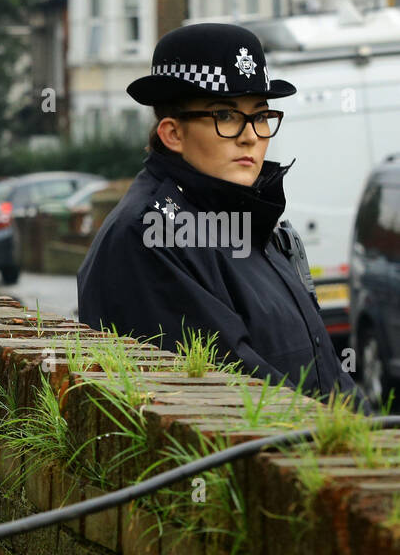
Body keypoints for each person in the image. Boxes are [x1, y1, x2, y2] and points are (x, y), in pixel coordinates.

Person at [77, 23, 365, 409]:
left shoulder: (244, 215)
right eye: (227, 115)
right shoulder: (151, 234)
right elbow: (235, 394)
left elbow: (324, 369)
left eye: (260, 115)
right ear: (172, 133)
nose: (251, 136)